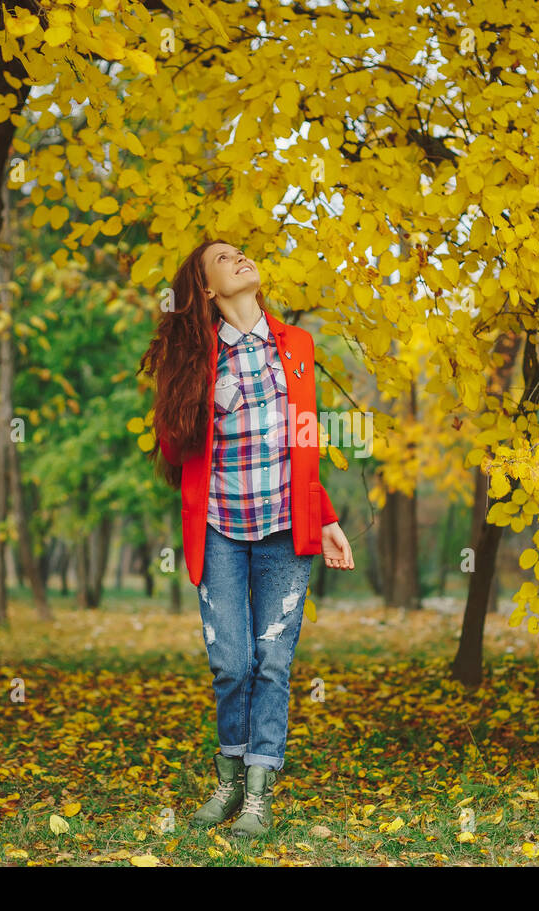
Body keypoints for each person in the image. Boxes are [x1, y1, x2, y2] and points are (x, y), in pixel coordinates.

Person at [139, 239, 355, 837]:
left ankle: (257, 796)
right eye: (223, 260)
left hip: (287, 528)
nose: (240, 260)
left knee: (272, 663)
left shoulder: (298, 348)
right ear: (206, 290)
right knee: (231, 663)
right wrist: (190, 394)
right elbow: (176, 449)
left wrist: (329, 519)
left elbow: (306, 443)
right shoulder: (194, 359)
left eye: (242, 253)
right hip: (220, 531)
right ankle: (227, 782)